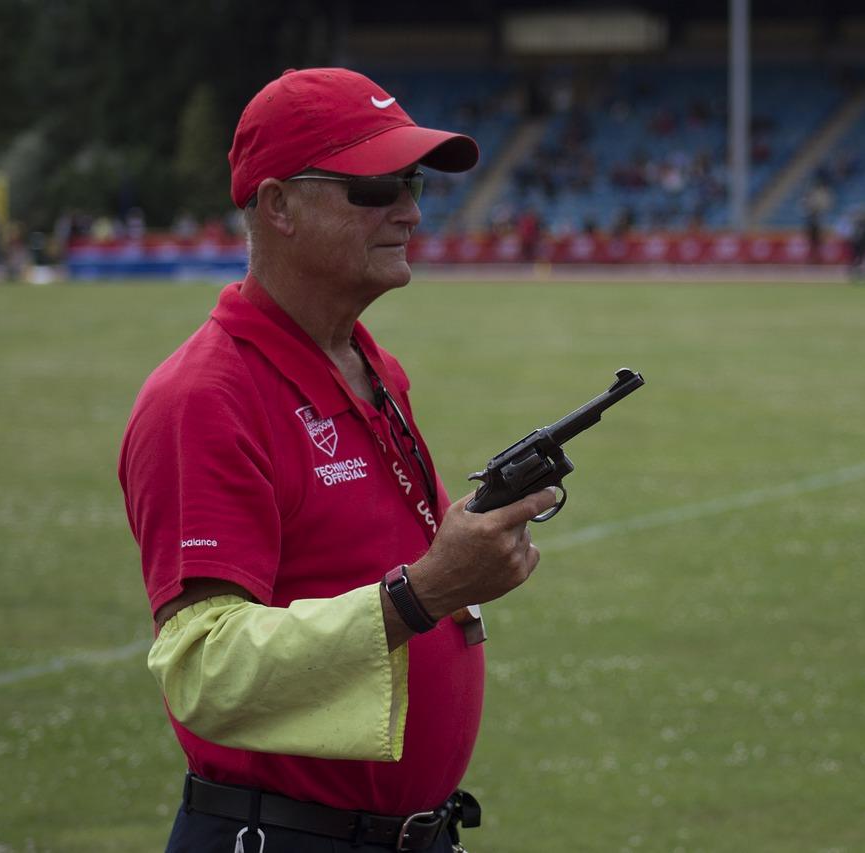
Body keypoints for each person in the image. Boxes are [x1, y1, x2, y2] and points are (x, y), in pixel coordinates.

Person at [119, 67, 558, 853]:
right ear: (279, 204)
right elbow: (203, 668)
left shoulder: (371, 364)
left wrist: (464, 553)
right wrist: (425, 592)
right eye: (375, 188)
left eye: (414, 182)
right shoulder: (204, 396)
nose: (412, 211)